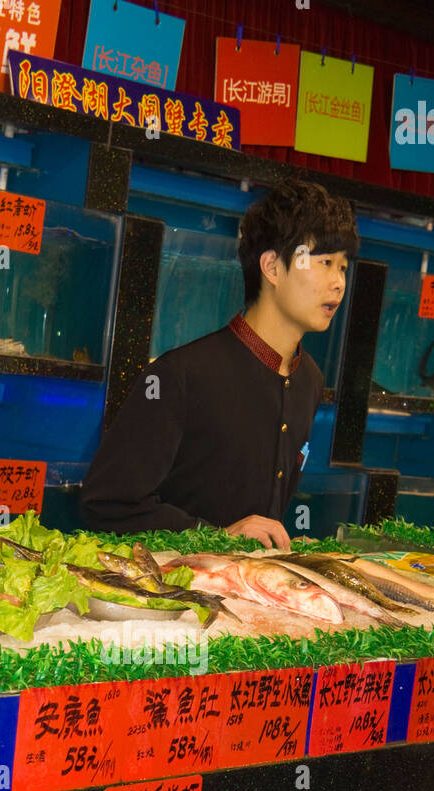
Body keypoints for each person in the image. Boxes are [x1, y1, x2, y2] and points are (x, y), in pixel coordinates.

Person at [80, 175, 359, 548]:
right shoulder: (180, 375)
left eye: (342, 266)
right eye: (325, 262)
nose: (338, 282)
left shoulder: (309, 379)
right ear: (272, 267)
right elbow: (106, 504)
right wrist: (213, 537)